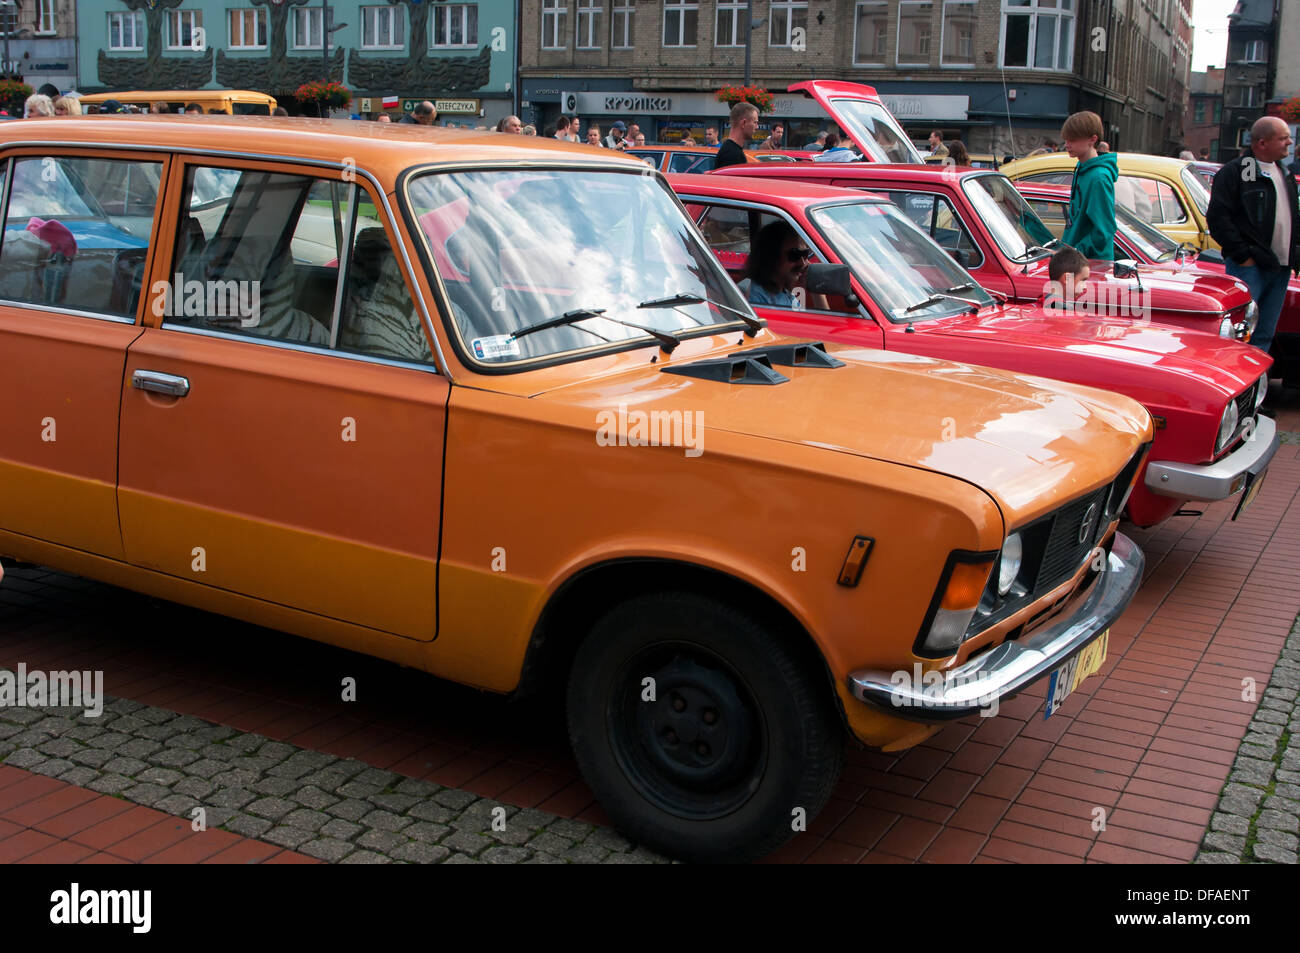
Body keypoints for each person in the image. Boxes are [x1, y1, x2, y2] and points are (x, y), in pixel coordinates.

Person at [1207, 115, 1300, 360]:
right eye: (1283, 138)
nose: (1290, 143)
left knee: (1265, 333)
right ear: (1261, 143)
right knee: (1241, 333)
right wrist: (1243, 255)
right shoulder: (1237, 172)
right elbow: (1219, 218)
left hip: (1279, 267)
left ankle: (1254, 389)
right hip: (1250, 267)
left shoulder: (1284, 172)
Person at [1059, 110, 1117, 261]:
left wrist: (1076, 252)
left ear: (1092, 139)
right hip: (1078, 261)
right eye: (1066, 139)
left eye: (1072, 139)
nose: (1066, 144)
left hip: (1092, 265)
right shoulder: (1083, 168)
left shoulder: (1098, 178)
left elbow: (1104, 230)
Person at [744, 221, 827, 310]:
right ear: (771, 257)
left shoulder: (785, 295)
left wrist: (816, 290)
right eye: (795, 255)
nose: (802, 263)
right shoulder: (755, 297)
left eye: (805, 254)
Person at [1041, 245, 1091, 312]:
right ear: (1067, 278)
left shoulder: (1043, 300)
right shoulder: (1065, 310)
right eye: (1082, 280)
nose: (1085, 287)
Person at [716, 102, 758, 170]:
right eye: (755, 122)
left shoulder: (730, 149)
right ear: (743, 123)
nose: (757, 127)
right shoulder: (732, 154)